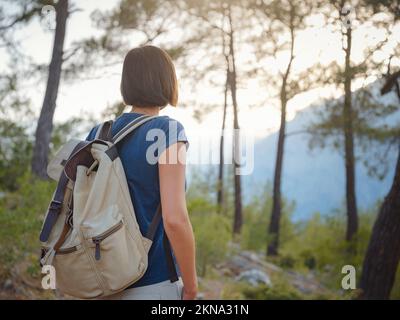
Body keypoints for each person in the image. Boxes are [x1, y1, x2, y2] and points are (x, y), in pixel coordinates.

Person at [86, 46, 197, 300]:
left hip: (98, 279)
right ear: (166, 81)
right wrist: (191, 286)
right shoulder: (168, 131)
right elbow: (175, 219)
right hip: (152, 282)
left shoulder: (98, 133)